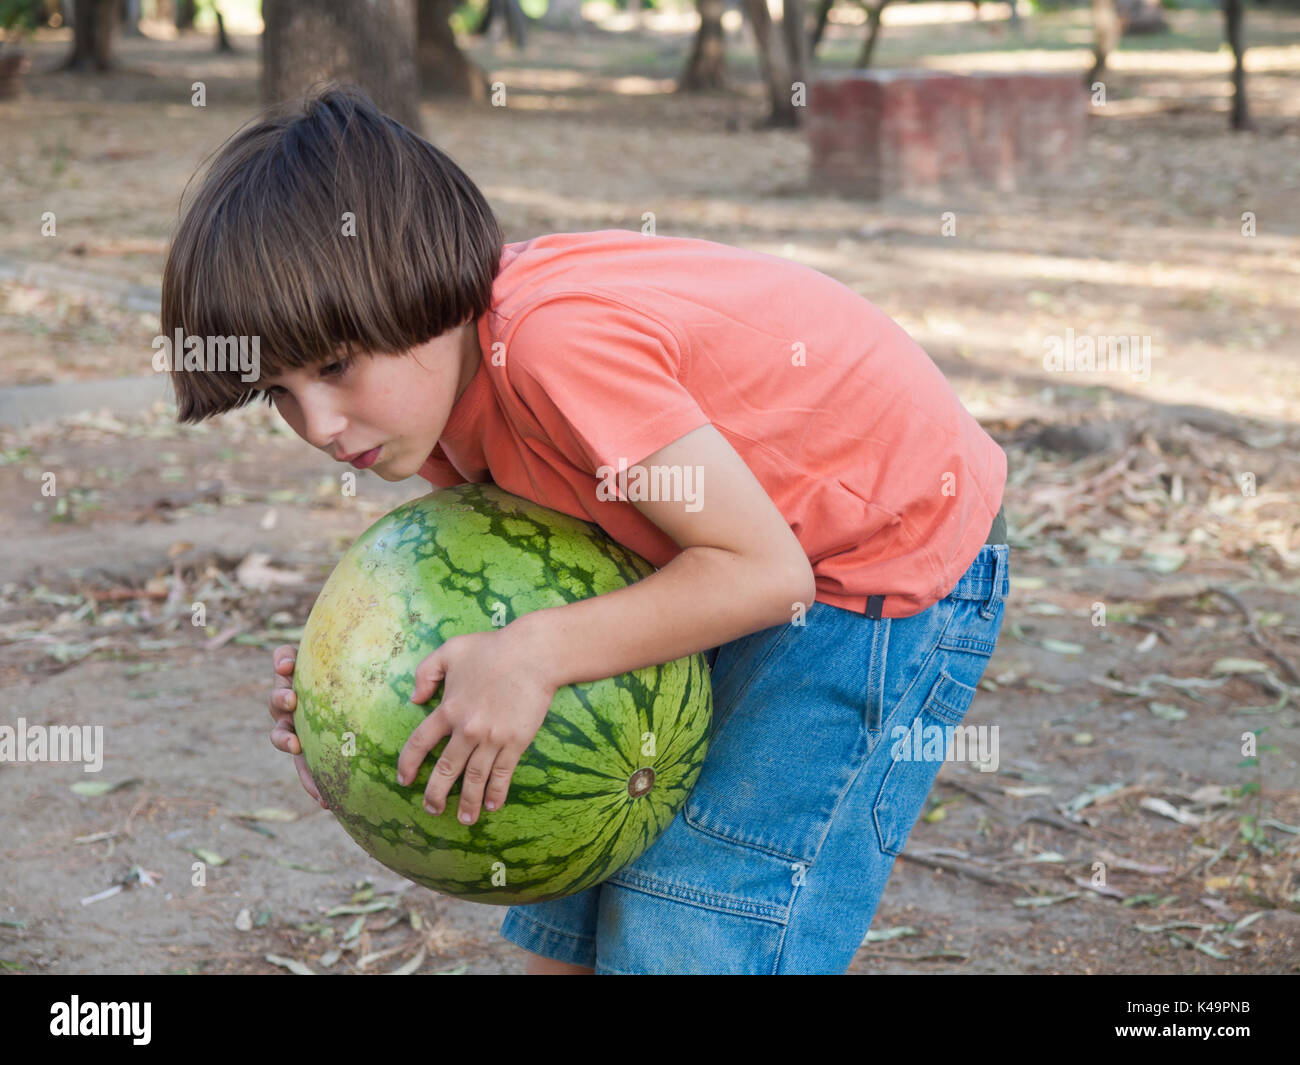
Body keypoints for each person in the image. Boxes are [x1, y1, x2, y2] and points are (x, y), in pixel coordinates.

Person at [163, 85, 1009, 975]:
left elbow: (768, 574)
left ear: (422, 286)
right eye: (280, 394)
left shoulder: (551, 347)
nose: (323, 425)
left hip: (875, 565)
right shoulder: (434, 416)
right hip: (711, 554)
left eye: (336, 365)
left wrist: (532, 654)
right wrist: (363, 716)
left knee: (693, 906)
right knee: (569, 890)